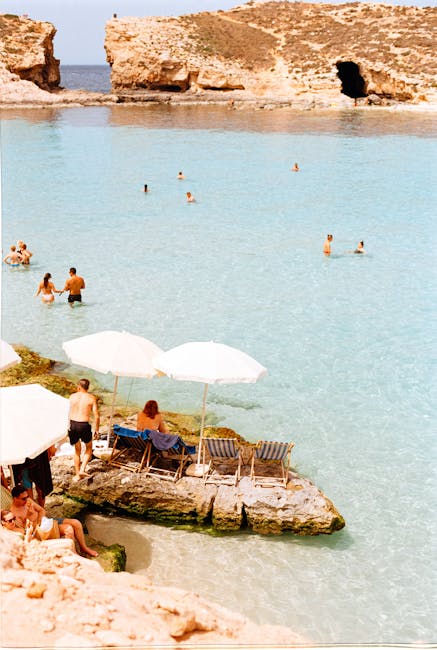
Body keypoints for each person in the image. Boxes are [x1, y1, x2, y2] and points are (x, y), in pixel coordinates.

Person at [9, 486, 98, 556]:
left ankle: (84, 548)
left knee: (76, 523)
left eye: (27, 497)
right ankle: (72, 554)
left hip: (45, 521)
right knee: (68, 529)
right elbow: (26, 529)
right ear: (15, 498)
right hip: (39, 530)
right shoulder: (13, 513)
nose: (26, 500)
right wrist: (29, 515)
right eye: (23, 498)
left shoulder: (27, 500)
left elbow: (42, 510)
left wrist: (40, 519)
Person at [68, 379, 100, 481]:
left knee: (77, 450)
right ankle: (82, 469)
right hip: (83, 425)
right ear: (88, 387)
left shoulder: (72, 397)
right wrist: (97, 430)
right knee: (89, 447)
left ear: (79, 386)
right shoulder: (91, 398)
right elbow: (97, 416)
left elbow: (67, 412)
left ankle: (77, 475)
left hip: (72, 424)